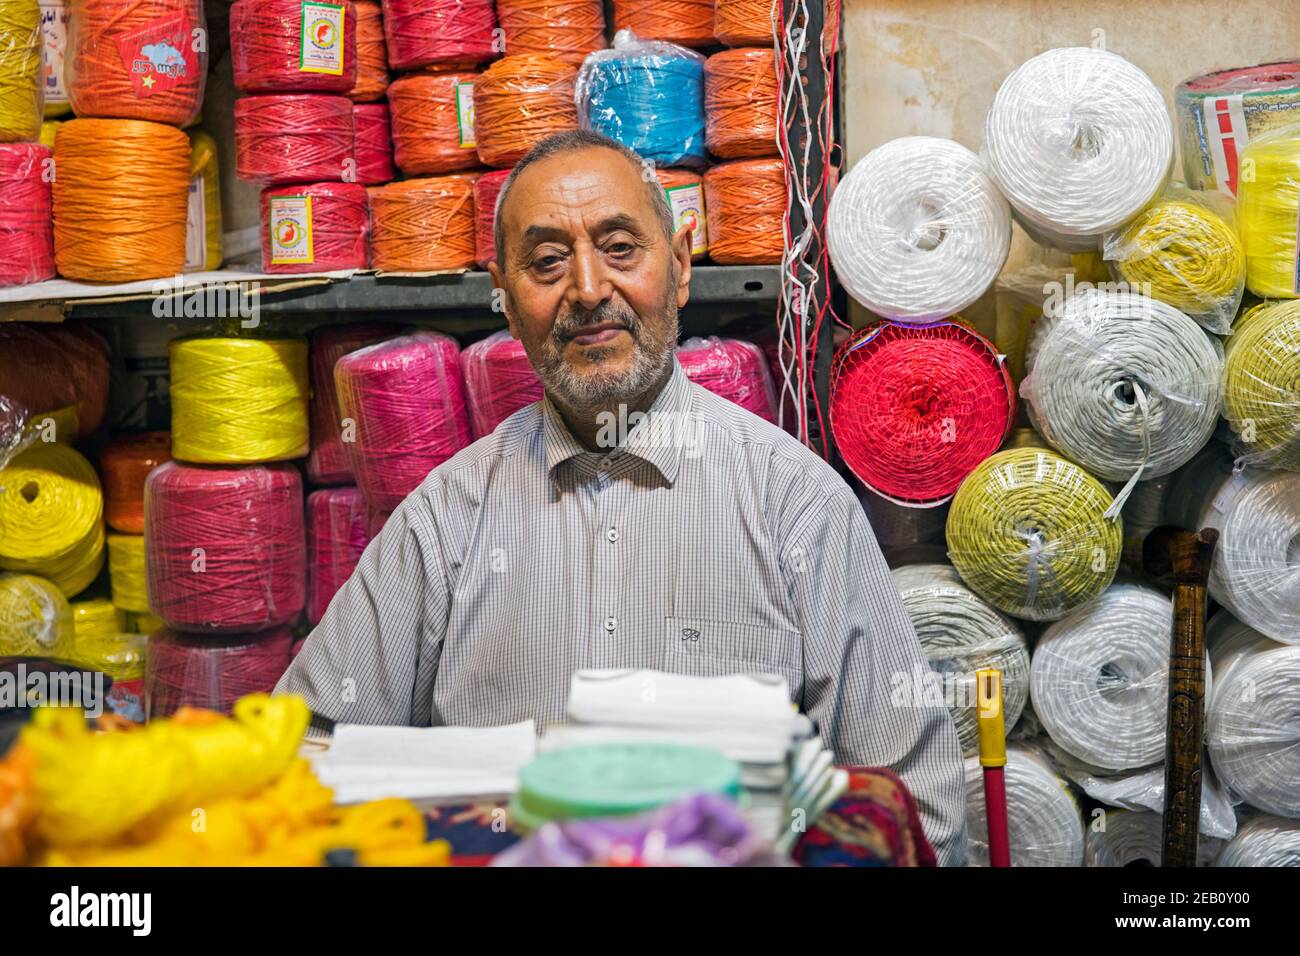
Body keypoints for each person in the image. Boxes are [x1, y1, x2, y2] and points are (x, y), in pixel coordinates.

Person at [278, 130, 968, 864]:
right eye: (546, 262)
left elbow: (913, 808)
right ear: (506, 300)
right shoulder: (446, 520)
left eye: (619, 247)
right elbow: (305, 757)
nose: (586, 289)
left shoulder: (795, 506)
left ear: (678, 268)